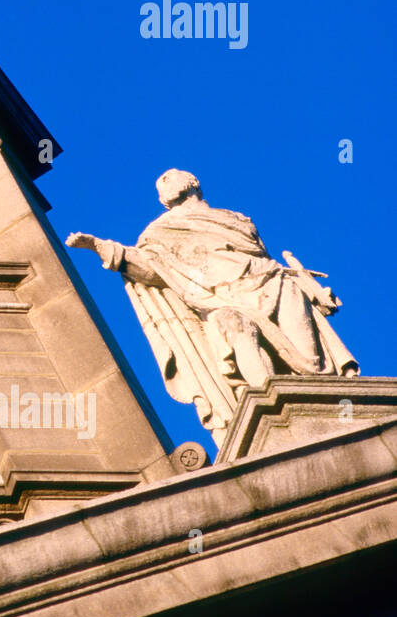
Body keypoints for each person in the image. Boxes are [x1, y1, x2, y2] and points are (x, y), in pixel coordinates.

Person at [66, 171, 356, 437]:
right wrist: (100, 246)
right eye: (159, 185)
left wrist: (308, 286)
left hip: (275, 284)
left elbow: (258, 254)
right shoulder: (158, 233)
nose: (163, 183)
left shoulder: (237, 219)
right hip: (220, 298)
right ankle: (276, 417)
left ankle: (331, 413)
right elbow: (153, 268)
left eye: (168, 177)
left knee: (313, 366)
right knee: (233, 325)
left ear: (192, 182)